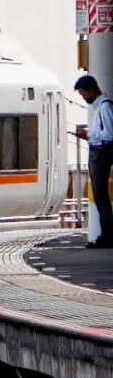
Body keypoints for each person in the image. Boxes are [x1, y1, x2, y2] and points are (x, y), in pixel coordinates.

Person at [75, 74, 113, 248]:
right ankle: (106, 234)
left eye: (84, 95)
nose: (84, 98)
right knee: (100, 195)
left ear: (92, 90)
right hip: (99, 152)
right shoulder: (100, 108)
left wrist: (89, 134)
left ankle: (107, 235)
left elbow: (109, 134)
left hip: (102, 153)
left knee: (101, 195)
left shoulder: (105, 107)